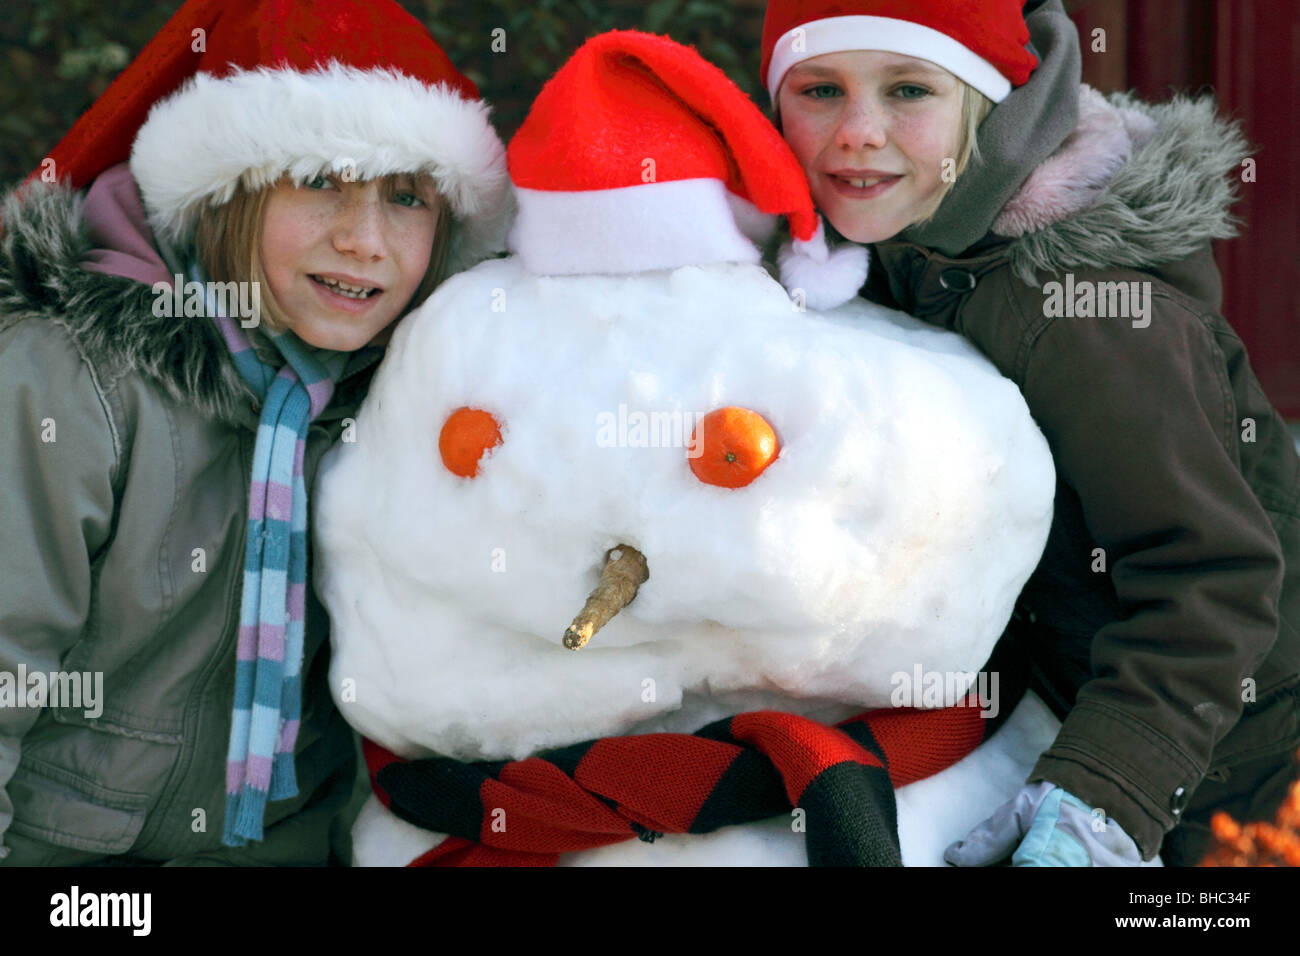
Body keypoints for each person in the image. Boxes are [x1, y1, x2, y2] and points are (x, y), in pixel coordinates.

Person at [763, 0, 1300, 866]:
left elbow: (1212, 578)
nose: (858, 131)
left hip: (1232, 768)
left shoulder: (1089, 318)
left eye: (908, 89)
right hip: (1035, 707)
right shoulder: (878, 256)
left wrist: (1106, 796)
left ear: (992, 110)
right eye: (821, 88)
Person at [0, 0, 510, 865]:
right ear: (226, 192)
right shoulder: (70, 379)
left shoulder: (401, 401)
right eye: (319, 182)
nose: (364, 240)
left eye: (405, 198)